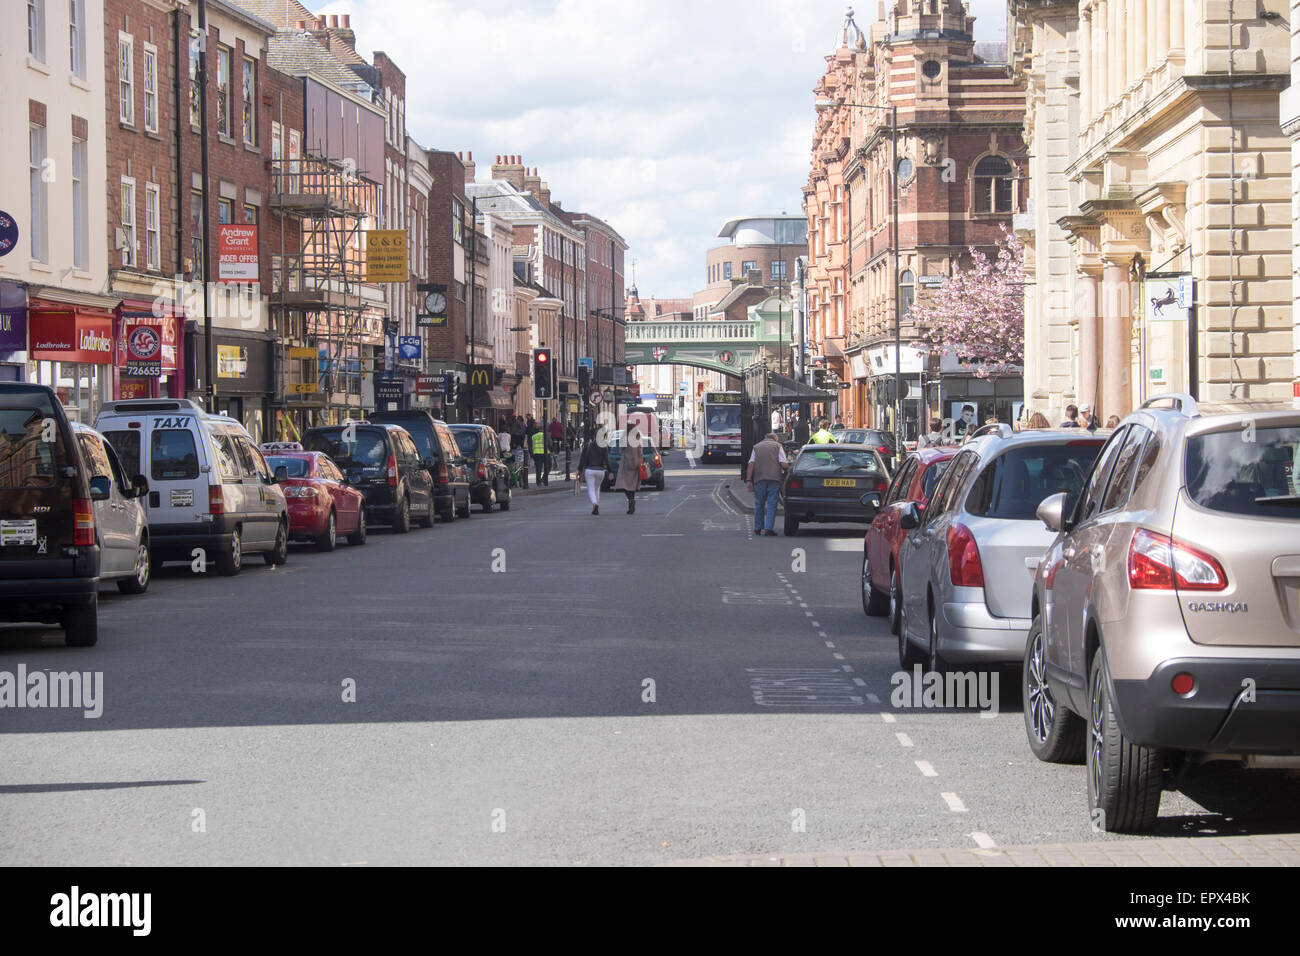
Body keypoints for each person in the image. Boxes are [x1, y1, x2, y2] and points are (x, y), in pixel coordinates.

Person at [746, 432, 788, 536]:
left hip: (759, 479)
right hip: (774, 479)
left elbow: (751, 464)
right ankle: (768, 528)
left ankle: (758, 527)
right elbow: (783, 464)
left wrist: (748, 480)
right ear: (775, 439)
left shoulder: (756, 447)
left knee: (759, 504)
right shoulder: (778, 446)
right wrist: (789, 467)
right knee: (772, 504)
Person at [613, 425, 644, 514]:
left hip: (626, 464)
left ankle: (631, 500)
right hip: (636, 464)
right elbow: (641, 451)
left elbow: (621, 450)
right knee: (632, 485)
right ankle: (632, 500)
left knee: (623, 484)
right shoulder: (637, 438)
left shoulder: (625, 438)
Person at [578, 435, 611, 515]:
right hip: (600, 471)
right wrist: (610, 471)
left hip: (590, 470)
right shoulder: (604, 447)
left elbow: (583, 459)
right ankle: (595, 507)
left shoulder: (588, 445)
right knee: (597, 489)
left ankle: (594, 504)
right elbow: (607, 460)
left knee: (591, 489)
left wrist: (579, 469)